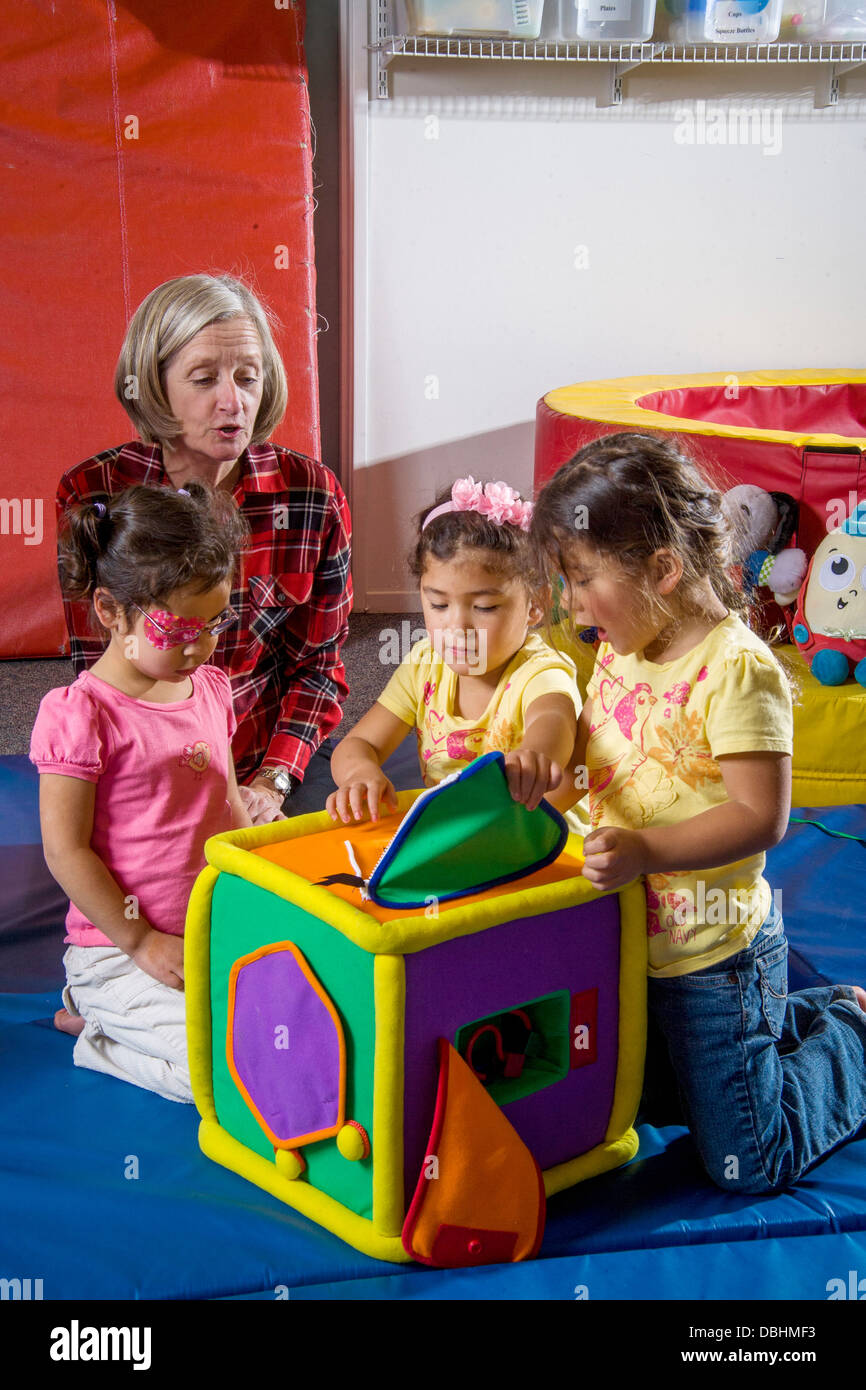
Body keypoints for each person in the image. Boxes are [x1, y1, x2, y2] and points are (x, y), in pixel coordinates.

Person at [531, 431, 866, 1193]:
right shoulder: (619, 641)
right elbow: (597, 752)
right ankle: (791, 1023)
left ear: (663, 569)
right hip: (629, 947)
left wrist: (646, 851)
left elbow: (761, 817)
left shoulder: (737, 669)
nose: (573, 606)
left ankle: (849, 1030)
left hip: (716, 959)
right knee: (630, 1107)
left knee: (748, 1162)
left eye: (583, 581)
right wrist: (546, 775)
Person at [56, 273, 352, 825]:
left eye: (247, 377)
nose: (231, 402)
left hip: (268, 762)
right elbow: (96, 667)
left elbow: (319, 667)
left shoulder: (314, 495)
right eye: (203, 378)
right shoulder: (93, 492)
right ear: (151, 385)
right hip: (147, 762)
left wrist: (272, 780)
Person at [30, 483, 252, 1102]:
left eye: (213, 622)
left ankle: (110, 1015)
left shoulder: (209, 688)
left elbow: (227, 804)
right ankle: (96, 1029)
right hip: (120, 951)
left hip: (208, 934)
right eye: (178, 627)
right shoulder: (80, 713)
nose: (199, 644)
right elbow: (65, 850)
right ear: (110, 610)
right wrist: (139, 941)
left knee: (287, 1032)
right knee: (216, 1073)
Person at [327, 477, 582, 826]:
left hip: (538, 844)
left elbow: (554, 722)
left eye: (485, 607)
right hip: (460, 838)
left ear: (536, 606)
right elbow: (358, 744)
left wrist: (535, 756)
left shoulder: (541, 672)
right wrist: (360, 773)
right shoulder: (424, 664)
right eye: (438, 604)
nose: (456, 628)